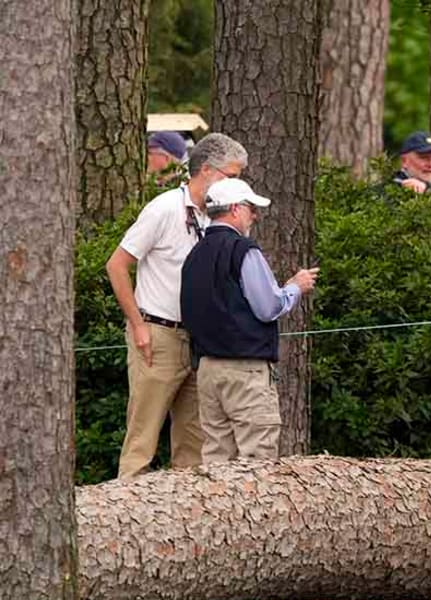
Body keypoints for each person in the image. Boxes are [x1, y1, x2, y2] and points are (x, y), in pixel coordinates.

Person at [105, 132, 248, 479]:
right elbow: (117, 264)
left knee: (194, 442)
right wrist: (138, 325)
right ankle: (125, 514)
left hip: (199, 339)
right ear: (209, 171)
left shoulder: (215, 218)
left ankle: (183, 519)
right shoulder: (164, 208)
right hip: (158, 334)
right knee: (143, 435)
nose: (237, 185)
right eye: (233, 176)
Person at [180, 179, 318, 462]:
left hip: (207, 369)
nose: (254, 215)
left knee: (216, 459)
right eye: (250, 208)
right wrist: (295, 287)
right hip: (246, 371)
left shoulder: (194, 255)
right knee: (257, 462)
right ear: (234, 209)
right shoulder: (243, 249)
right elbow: (268, 307)